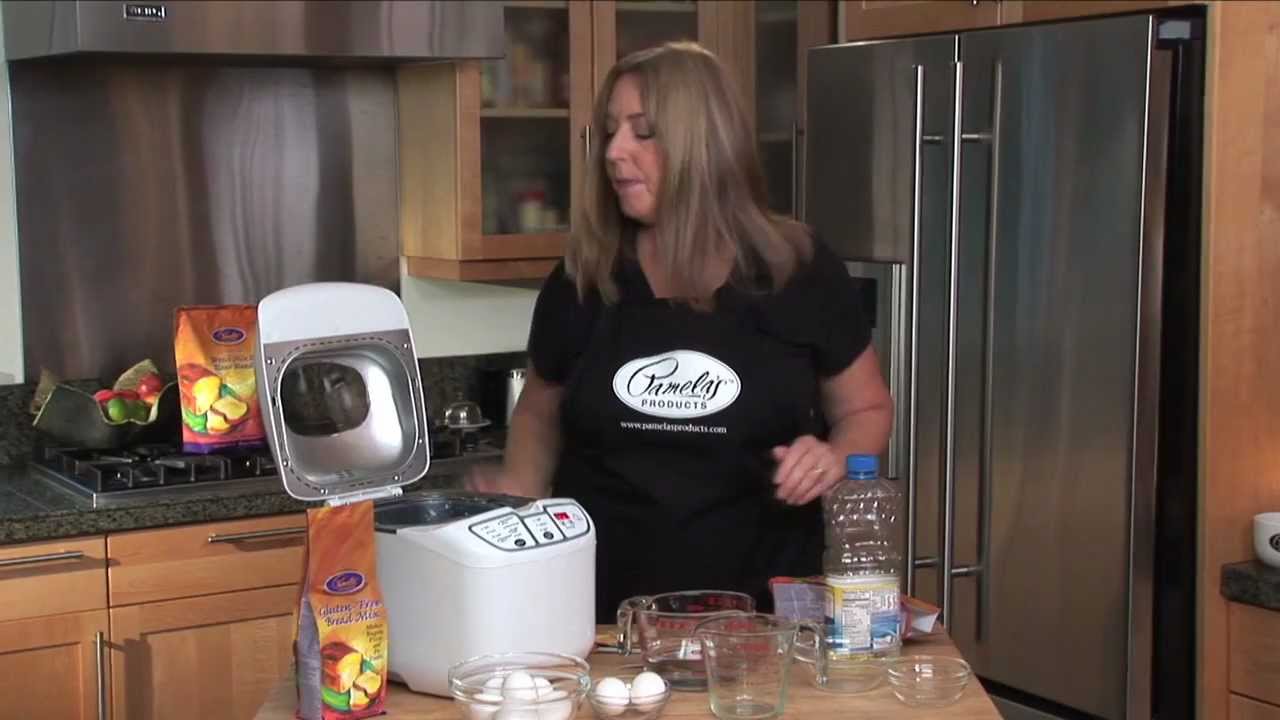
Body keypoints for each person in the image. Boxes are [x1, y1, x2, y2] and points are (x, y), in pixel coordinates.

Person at [470, 41, 892, 617]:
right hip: (600, 620)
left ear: (702, 143)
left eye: (643, 132)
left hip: (760, 625)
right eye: (611, 130)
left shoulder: (797, 270)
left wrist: (837, 455)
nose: (614, 152)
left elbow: (866, 411)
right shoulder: (585, 277)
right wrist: (517, 505)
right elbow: (540, 411)